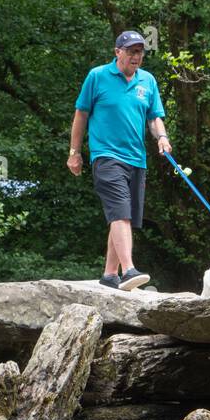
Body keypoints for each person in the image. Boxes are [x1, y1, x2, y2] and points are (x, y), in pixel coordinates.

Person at [68, 30, 172, 290]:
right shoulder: (97, 76)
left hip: (136, 159)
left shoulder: (147, 81)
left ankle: (109, 275)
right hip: (106, 156)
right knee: (120, 212)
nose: (136, 56)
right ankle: (129, 270)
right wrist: (75, 152)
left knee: (124, 217)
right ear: (118, 52)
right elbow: (81, 114)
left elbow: (153, 117)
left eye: (140, 52)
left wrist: (162, 136)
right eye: (131, 51)